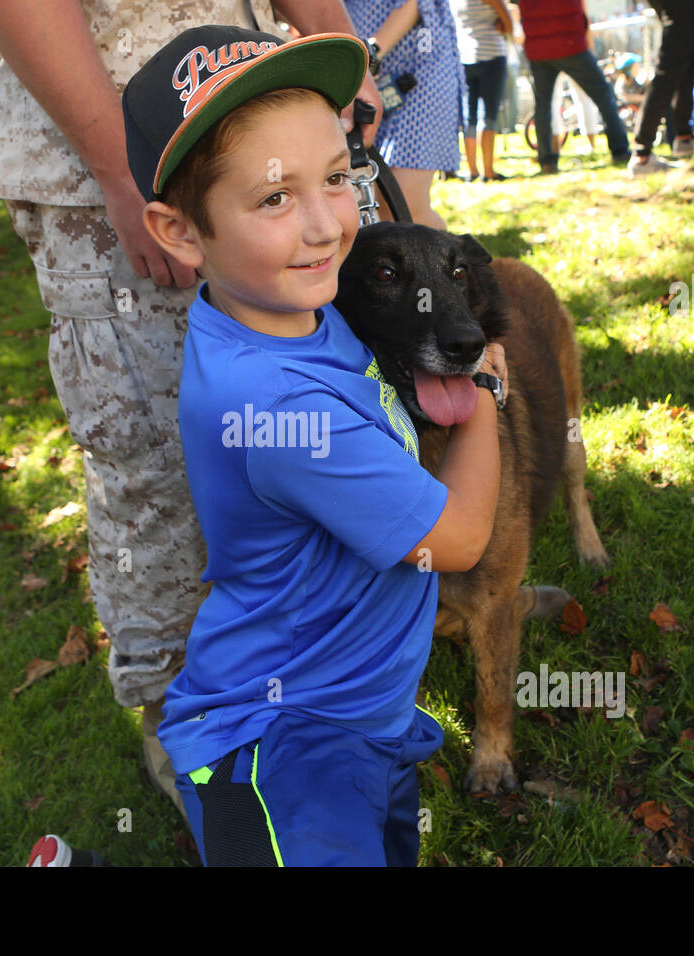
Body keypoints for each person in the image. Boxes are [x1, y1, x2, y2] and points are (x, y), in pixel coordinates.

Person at [0, 0, 385, 860]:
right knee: (163, 475)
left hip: (271, 110)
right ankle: (196, 738)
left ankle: (320, 691)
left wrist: (341, 59)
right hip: (125, 144)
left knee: (327, 421)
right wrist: (120, 169)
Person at [125, 26, 506, 866]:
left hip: (358, 709)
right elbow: (460, 540)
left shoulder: (290, 315)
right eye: (273, 198)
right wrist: (480, 397)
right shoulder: (274, 402)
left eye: (336, 178)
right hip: (281, 743)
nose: (326, 226)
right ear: (181, 235)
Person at [344, 0, 467, 229]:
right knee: (375, 201)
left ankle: (461, 262)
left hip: (420, 70)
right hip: (362, 71)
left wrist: (370, 54)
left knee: (405, 205)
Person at [520, 0, 630, 174]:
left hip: (539, 48)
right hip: (570, 43)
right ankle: (620, 150)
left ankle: (547, 160)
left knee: (543, 105)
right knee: (603, 94)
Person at [627, 0, 694, 175]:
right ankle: (641, 155)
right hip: (679, 12)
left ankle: (684, 139)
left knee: (688, 69)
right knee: (665, 78)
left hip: (688, 14)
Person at [452, 0, 515, 182]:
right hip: (492, 55)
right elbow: (509, 25)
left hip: (465, 57)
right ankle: (488, 171)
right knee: (489, 115)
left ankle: (472, 170)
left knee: (469, 116)